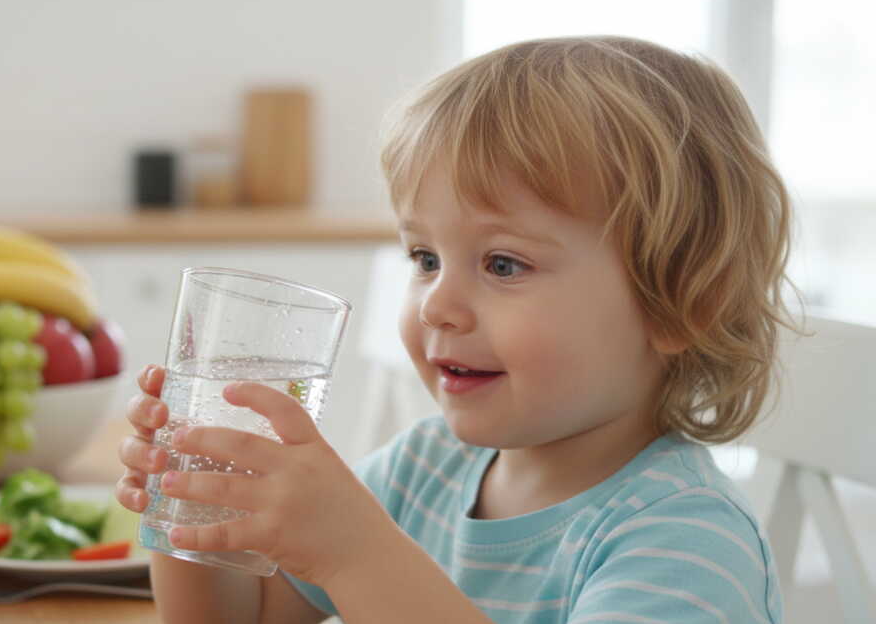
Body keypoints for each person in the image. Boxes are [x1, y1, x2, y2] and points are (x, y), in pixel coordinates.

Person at [116, 35, 798, 623]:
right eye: (425, 258)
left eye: (503, 263)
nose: (438, 303)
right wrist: (193, 509)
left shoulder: (684, 540)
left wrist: (356, 550)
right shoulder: (424, 468)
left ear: (680, 303)